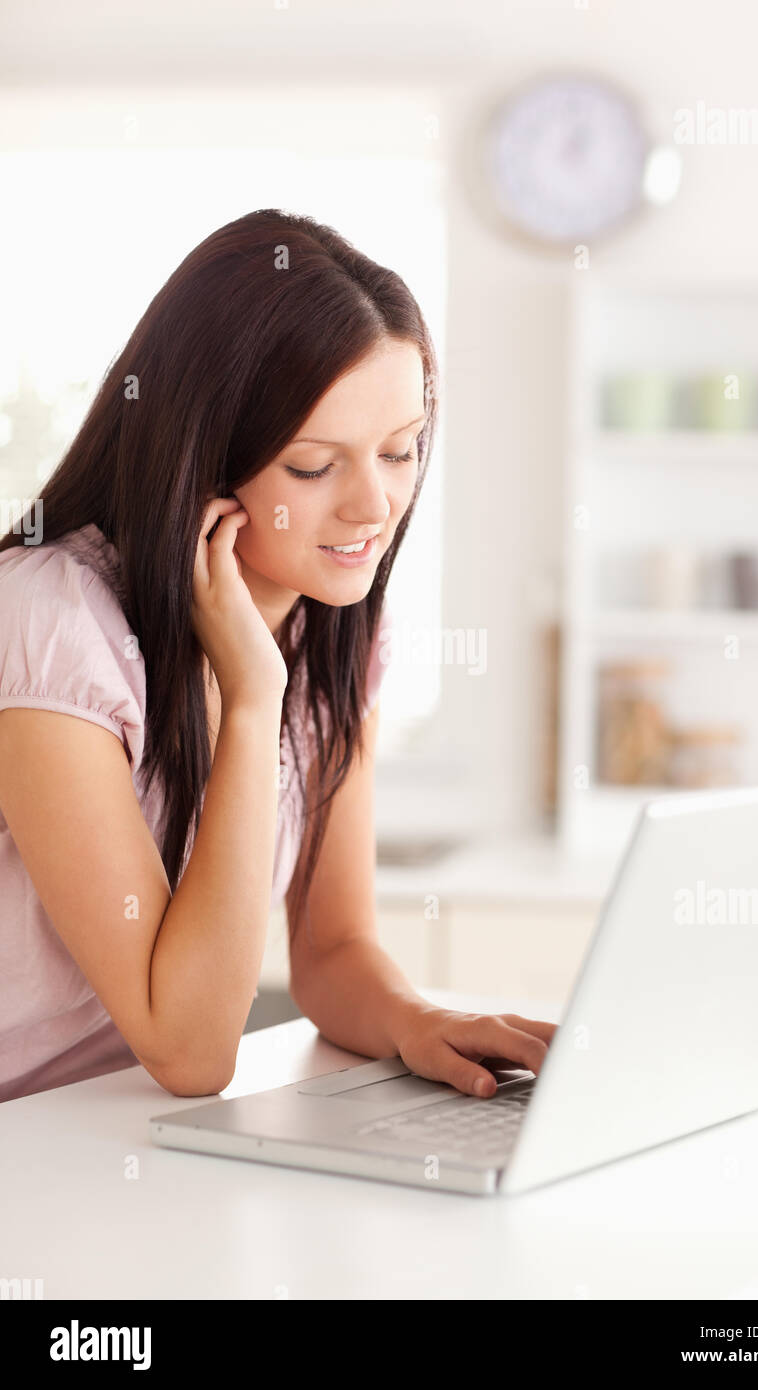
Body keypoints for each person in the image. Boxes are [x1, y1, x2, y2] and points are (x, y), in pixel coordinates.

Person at [0, 208, 555, 1104]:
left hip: (109, 1143)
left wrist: (416, 1021)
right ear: (204, 459)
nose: (375, 507)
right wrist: (253, 701)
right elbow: (189, 1051)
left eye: (401, 450)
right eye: (313, 467)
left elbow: (331, 951)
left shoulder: (335, 626)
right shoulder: (52, 624)